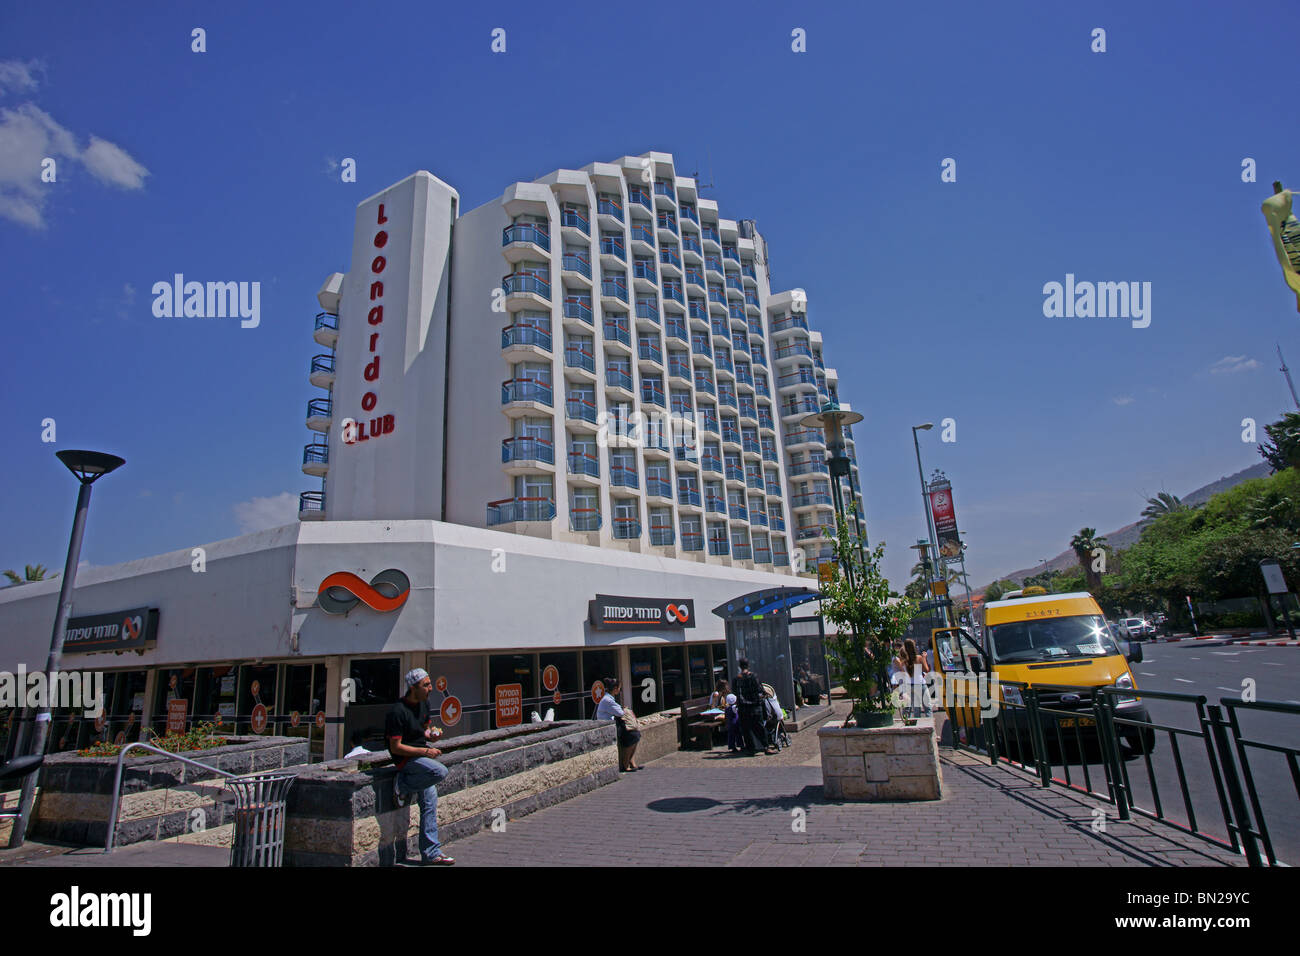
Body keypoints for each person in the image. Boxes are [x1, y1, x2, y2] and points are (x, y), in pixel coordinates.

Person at [386, 668, 455, 866]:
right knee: (439, 771)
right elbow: (396, 747)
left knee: (430, 804)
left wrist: (432, 735)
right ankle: (404, 785)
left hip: (420, 755)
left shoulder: (424, 704)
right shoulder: (397, 712)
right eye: (425, 685)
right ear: (413, 687)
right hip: (406, 759)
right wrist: (426, 752)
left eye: (430, 683)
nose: (430, 688)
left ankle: (431, 853)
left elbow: (424, 730)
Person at [595, 677, 641, 771]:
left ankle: (631, 762)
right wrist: (622, 709)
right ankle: (625, 764)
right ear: (615, 689)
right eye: (619, 688)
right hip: (608, 726)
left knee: (636, 734)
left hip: (613, 724)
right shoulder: (608, 700)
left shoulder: (608, 699)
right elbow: (620, 713)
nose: (620, 690)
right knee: (633, 735)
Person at [733, 658, 775, 755]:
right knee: (759, 728)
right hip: (755, 707)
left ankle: (751, 750)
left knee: (746, 730)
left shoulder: (736, 679)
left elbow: (735, 692)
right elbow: (760, 689)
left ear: (739, 666)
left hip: (743, 709)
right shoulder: (753, 677)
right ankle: (766, 747)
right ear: (748, 665)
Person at [900, 639, 931, 717]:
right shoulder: (919, 658)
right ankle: (928, 722)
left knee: (915, 708)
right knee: (927, 707)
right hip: (920, 684)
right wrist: (924, 657)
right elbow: (926, 669)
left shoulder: (903, 661)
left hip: (909, 685)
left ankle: (914, 723)